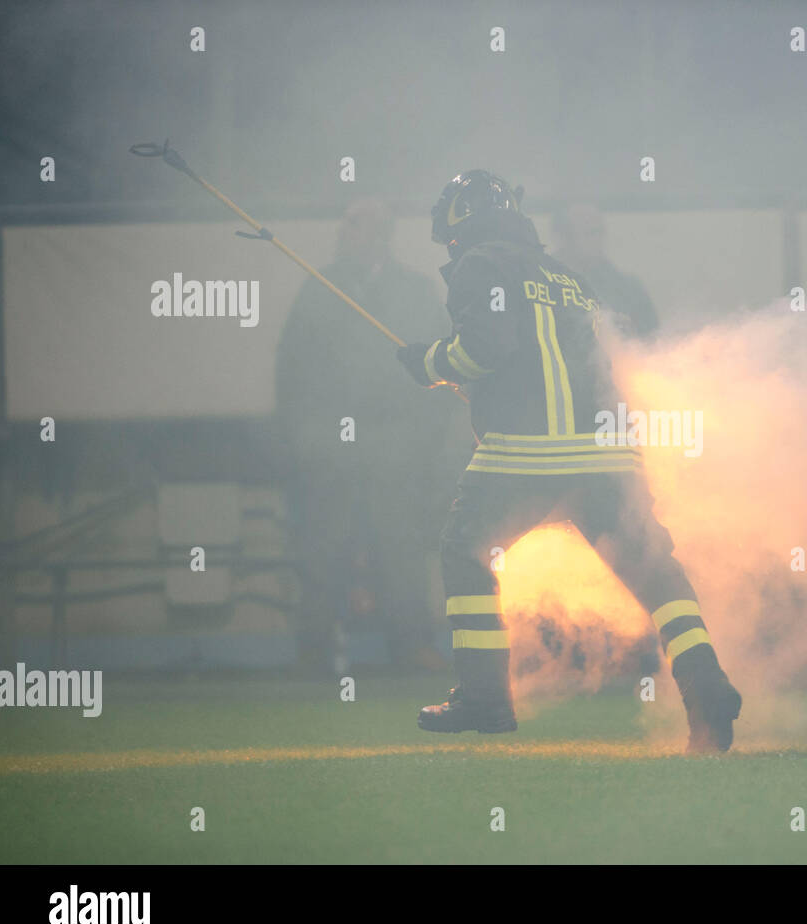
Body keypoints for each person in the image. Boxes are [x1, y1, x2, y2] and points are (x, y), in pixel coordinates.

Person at [396, 171, 741, 752]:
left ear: (461, 220)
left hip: (527, 453)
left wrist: (429, 362)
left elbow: (485, 346)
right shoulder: (569, 278)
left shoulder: (480, 264)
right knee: (656, 575)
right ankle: (706, 686)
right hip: (609, 454)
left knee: (465, 551)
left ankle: (484, 697)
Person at [275, 199, 469, 672]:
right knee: (323, 551)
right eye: (349, 227)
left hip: (396, 448)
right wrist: (307, 440)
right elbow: (292, 374)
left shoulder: (417, 292)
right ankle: (315, 649)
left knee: (401, 552)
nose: (352, 235)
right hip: (329, 448)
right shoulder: (319, 288)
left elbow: (439, 372)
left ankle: (412, 646)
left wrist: (422, 445)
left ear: (385, 233)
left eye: (363, 227)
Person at [551, 202, 659, 341]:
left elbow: (653, 343)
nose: (599, 239)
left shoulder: (629, 290)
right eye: (590, 233)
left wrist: (631, 338)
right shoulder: (541, 285)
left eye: (600, 232)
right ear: (562, 238)